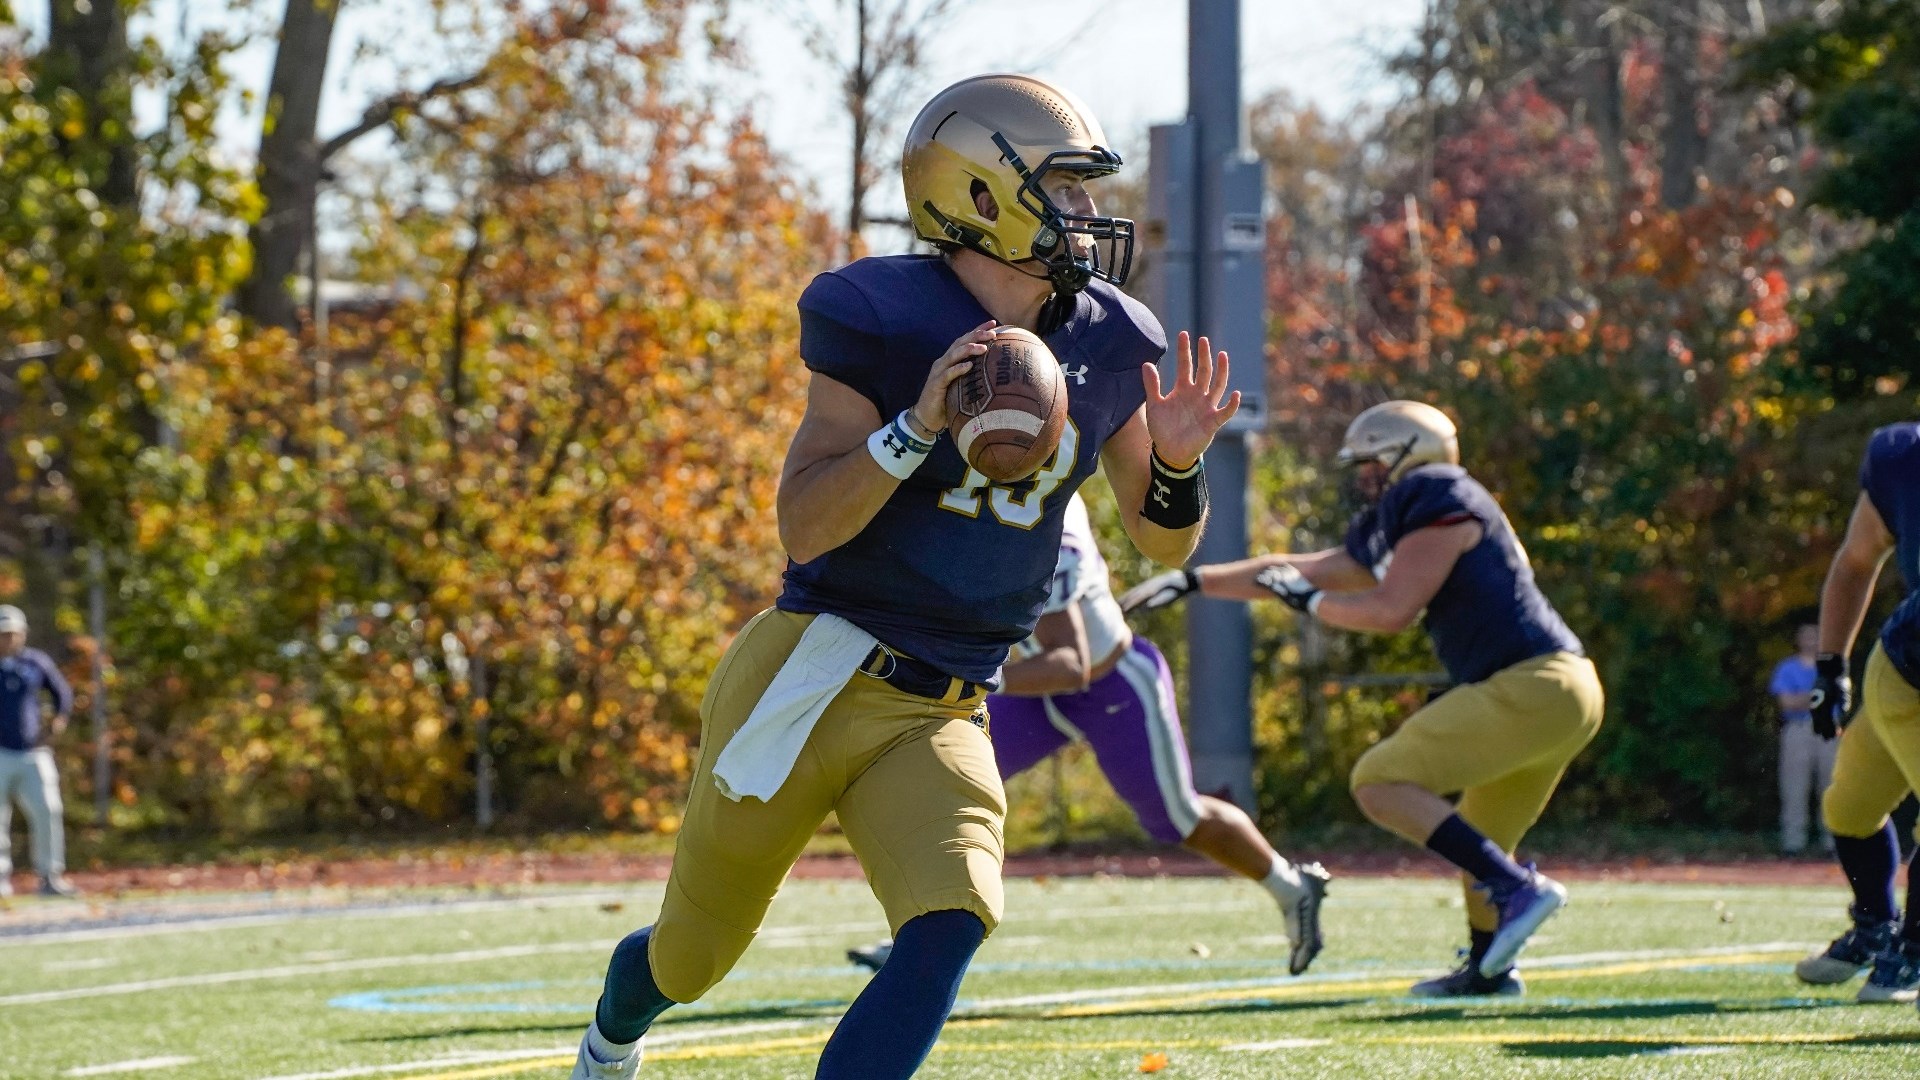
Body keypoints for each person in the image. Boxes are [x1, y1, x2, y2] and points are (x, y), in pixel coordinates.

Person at [571, 73, 1242, 1079]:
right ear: (979, 192)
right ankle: (610, 1039)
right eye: (1063, 186)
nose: (1086, 211)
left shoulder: (1109, 336)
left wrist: (1180, 466)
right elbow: (805, 526)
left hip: (944, 701)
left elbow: (1164, 541)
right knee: (692, 957)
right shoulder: (879, 313)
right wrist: (915, 426)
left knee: (952, 916)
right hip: (812, 674)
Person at [1122, 400, 1603, 998]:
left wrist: (1312, 605)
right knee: (1482, 837)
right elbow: (1304, 570)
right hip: (1559, 690)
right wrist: (1197, 580)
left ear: (1409, 454)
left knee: (1379, 780)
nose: (1365, 477)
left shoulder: (1435, 490)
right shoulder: (1422, 507)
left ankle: (1517, 890)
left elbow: (1390, 610)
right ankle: (1489, 969)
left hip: (1533, 683)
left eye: (1372, 462)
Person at [845, 493, 1330, 978]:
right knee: (941, 788)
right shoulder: (993, 494)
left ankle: (1291, 887)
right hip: (1035, 689)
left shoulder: (1045, 527)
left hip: (1109, 682)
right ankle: (920, 934)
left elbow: (1070, 664)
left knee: (1178, 817)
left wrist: (965, 674)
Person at [1793, 422, 1920, 1005]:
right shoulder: (1904, 459)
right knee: (1849, 807)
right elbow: (1855, 560)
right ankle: (1886, 934)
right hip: (1906, 675)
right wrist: (1829, 666)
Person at [0, 604, 77, 899]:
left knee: (48, 811)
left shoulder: (35, 662)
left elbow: (61, 693)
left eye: (13, 633)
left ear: (23, 633)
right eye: (3, 633)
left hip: (33, 752)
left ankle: (49, 876)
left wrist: (58, 720)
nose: (8, 639)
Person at [1772, 622, 1837, 856]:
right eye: (1806, 636)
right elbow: (1786, 703)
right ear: (1798, 640)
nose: (1811, 641)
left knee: (1830, 786)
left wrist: (1804, 698)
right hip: (1798, 729)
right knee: (1794, 786)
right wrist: (1817, 697)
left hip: (1827, 728)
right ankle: (1793, 842)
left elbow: (1838, 699)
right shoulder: (1787, 668)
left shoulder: (1831, 667)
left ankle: (1831, 842)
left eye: (1814, 636)